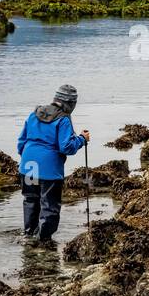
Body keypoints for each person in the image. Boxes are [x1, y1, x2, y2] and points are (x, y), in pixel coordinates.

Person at [16, 84, 88, 246]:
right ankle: (44, 239)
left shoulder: (34, 113)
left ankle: (28, 235)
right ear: (70, 103)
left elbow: (21, 142)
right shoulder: (63, 119)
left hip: (28, 166)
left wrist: (27, 158)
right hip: (49, 170)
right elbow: (66, 147)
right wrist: (82, 139)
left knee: (30, 199)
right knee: (49, 204)